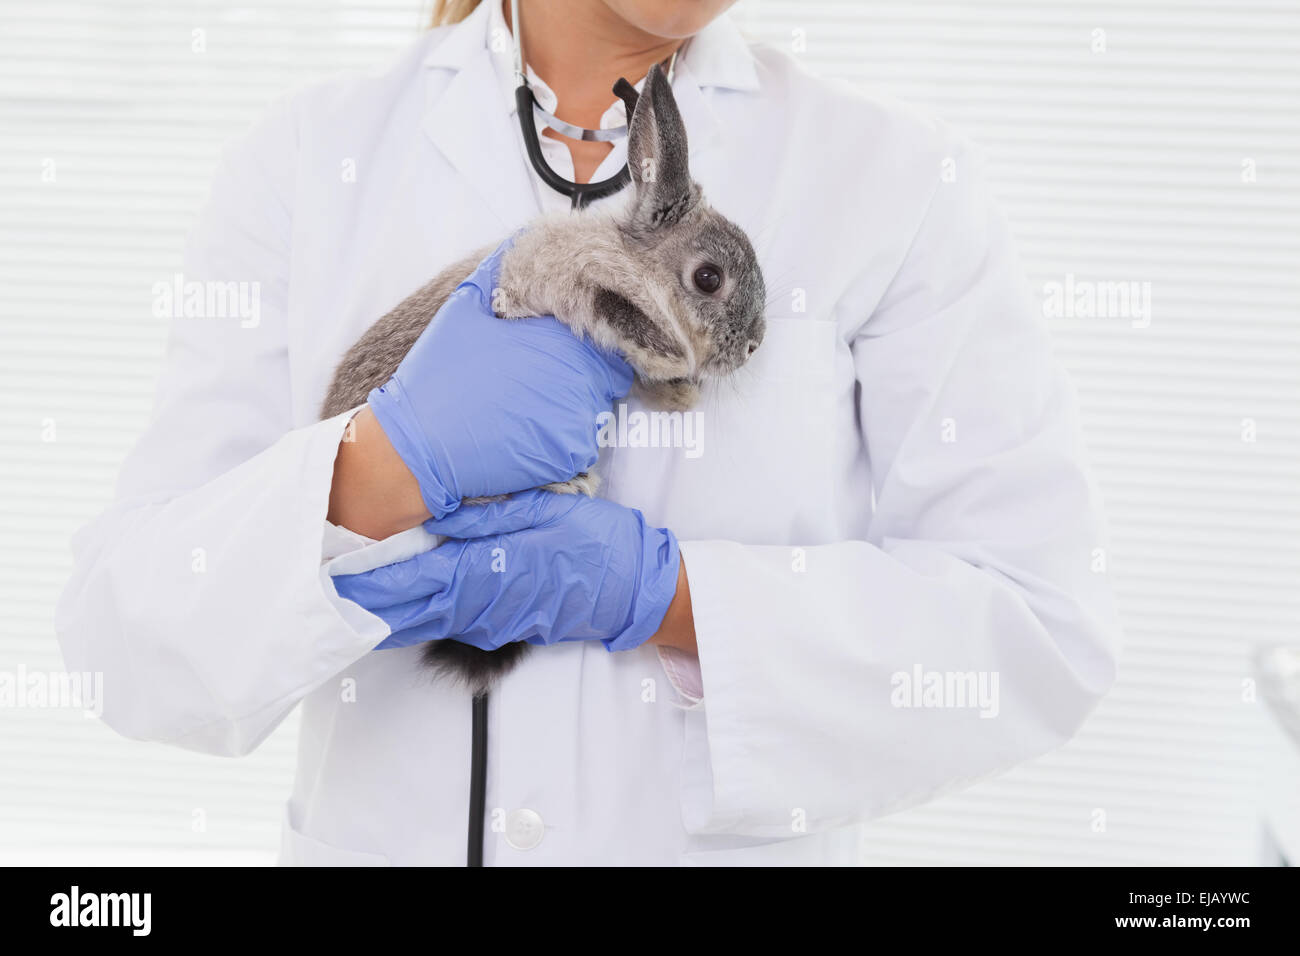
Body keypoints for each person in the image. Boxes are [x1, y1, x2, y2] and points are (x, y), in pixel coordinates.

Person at [56, 0, 1121, 865]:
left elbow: (1034, 627)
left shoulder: (891, 182)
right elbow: (124, 641)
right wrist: (378, 471)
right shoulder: (303, 159)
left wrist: (661, 595)